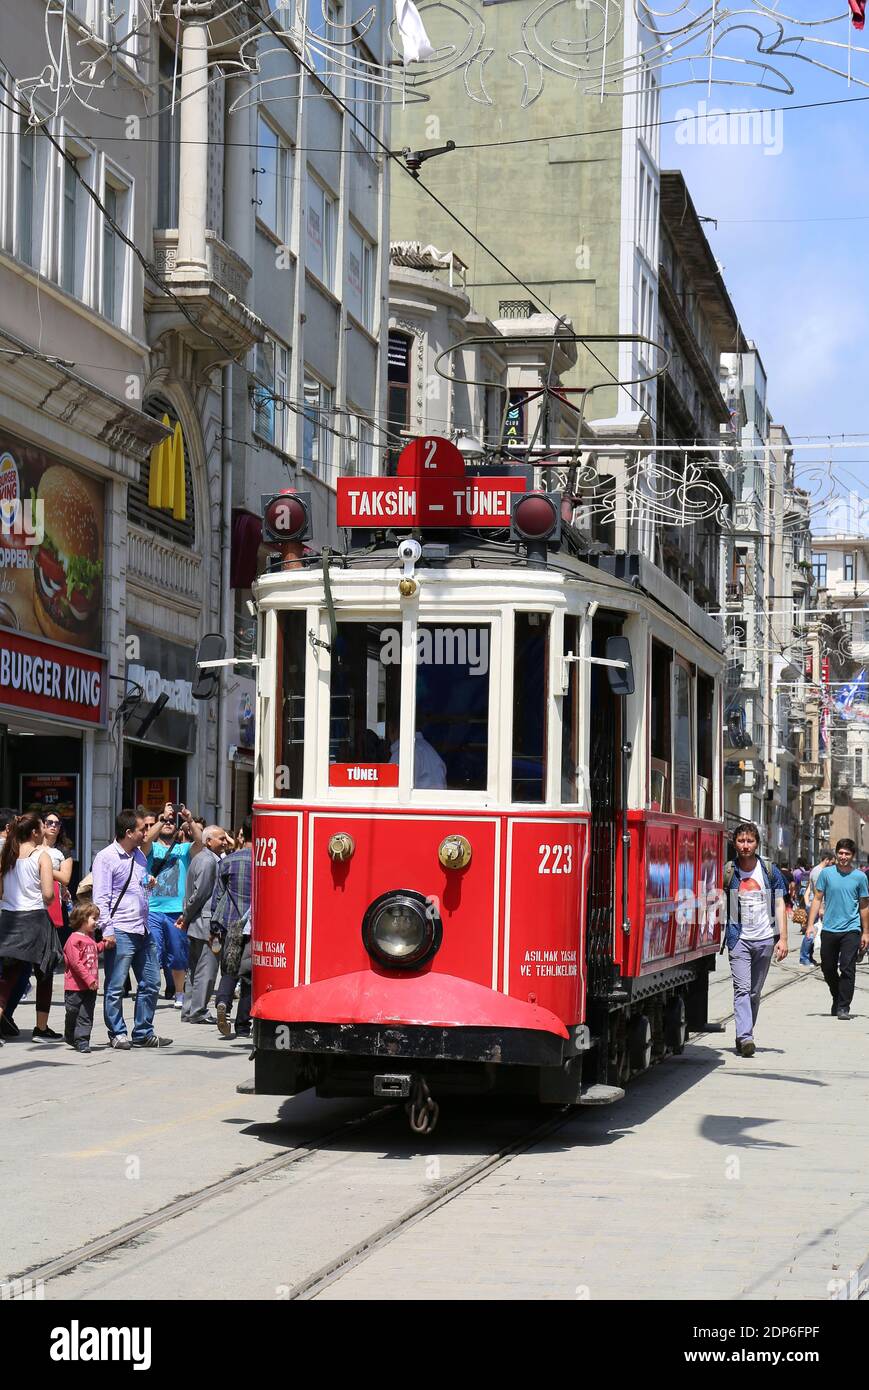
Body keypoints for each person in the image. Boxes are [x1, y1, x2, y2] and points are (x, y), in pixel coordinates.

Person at [93, 809, 172, 1050]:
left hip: (143, 929)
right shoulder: (106, 858)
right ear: (129, 832)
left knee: (151, 982)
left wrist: (147, 883)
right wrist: (107, 930)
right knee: (116, 986)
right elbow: (101, 897)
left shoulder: (139, 856)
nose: (146, 833)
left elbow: (138, 887)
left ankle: (143, 1032)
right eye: (142, 829)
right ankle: (117, 1032)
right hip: (120, 929)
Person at [723, 821, 788, 1057]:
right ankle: (746, 1036)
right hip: (738, 938)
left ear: (757, 844)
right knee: (741, 989)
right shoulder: (729, 871)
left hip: (764, 938)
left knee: (754, 992)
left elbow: (780, 903)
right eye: (741, 841)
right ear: (734, 843)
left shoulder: (769, 871)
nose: (745, 845)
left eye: (750, 841)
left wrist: (783, 939)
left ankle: (744, 1031)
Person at [0, 814, 61, 1042]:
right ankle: (41, 1028)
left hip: (8, 918)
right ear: (35, 832)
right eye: (43, 827)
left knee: (7, 975)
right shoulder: (41, 856)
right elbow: (47, 894)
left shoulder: (7, 855)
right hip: (34, 918)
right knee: (44, 972)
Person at [145, 803, 203, 1008]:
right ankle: (150, 991)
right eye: (165, 821)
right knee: (153, 953)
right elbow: (144, 839)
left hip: (178, 911)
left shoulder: (183, 849)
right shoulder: (151, 847)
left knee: (178, 955)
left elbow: (200, 840)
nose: (168, 823)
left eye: (171, 821)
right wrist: (161, 819)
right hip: (152, 909)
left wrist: (188, 819)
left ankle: (179, 993)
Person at [805, 838, 869, 1021]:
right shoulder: (826, 874)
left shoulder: (860, 877)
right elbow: (817, 899)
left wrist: (866, 932)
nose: (843, 857)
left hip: (852, 928)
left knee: (848, 968)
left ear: (852, 856)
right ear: (836, 854)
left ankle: (843, 1007)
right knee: (828, 966)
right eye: (840, 853)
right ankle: (837, 994)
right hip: (830, 928)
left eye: (847, 854)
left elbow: (864, 905)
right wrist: (810, 924)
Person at [177, 824, 224, 1023]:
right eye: (220, 838)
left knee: (194, 970)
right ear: (208, 841)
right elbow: (200, 894)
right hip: (207, 925)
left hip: (197, 923)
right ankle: (198, 1011)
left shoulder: (201, 859)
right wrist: (186, 916)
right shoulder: (208, 862)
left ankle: (189, 1010)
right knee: (207, 969)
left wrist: (187, 916)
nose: (224, 842)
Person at [211, 818, 253, 1039]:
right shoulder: (268, 861)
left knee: (229, 968)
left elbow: (218, 896)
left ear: (241, 835)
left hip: (231, 922)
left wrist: (213, 926)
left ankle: (222, 1003)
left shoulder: (227, 862)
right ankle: (243, 1025)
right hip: (257, 926)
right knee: (249, 975)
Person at [63, 902, 106, 1054]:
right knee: (72, 1011)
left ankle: (82, 1040)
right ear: (83, 919)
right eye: (94, 918)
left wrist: (105, 945)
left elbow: (95, 949)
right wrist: (89, 979)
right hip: (74, 987)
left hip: (90, 987)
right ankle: (70, 1034)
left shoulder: (90, 939)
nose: (96, 922)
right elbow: (75, 963)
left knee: (86, 1014)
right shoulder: (73, 939)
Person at [42, 812, 74, 949]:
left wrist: (44, 868)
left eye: (57, 823)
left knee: (50, 943)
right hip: (30, 900)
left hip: (54, 902)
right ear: (43, 824)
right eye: (50, 822)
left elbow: (65, 878)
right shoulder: (33, 846)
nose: (53, 826)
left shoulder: (63, 851)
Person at [800, 847, 834, 966]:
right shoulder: (819, 871)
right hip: (816, 906)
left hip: (816, 905)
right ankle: (804, 958)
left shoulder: (816, 870)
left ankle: (808, 956)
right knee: (812, 931)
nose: (832, 864)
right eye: (831, 862)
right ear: (827, 860)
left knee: (815, 931)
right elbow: (816, 891)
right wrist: (820, 907)